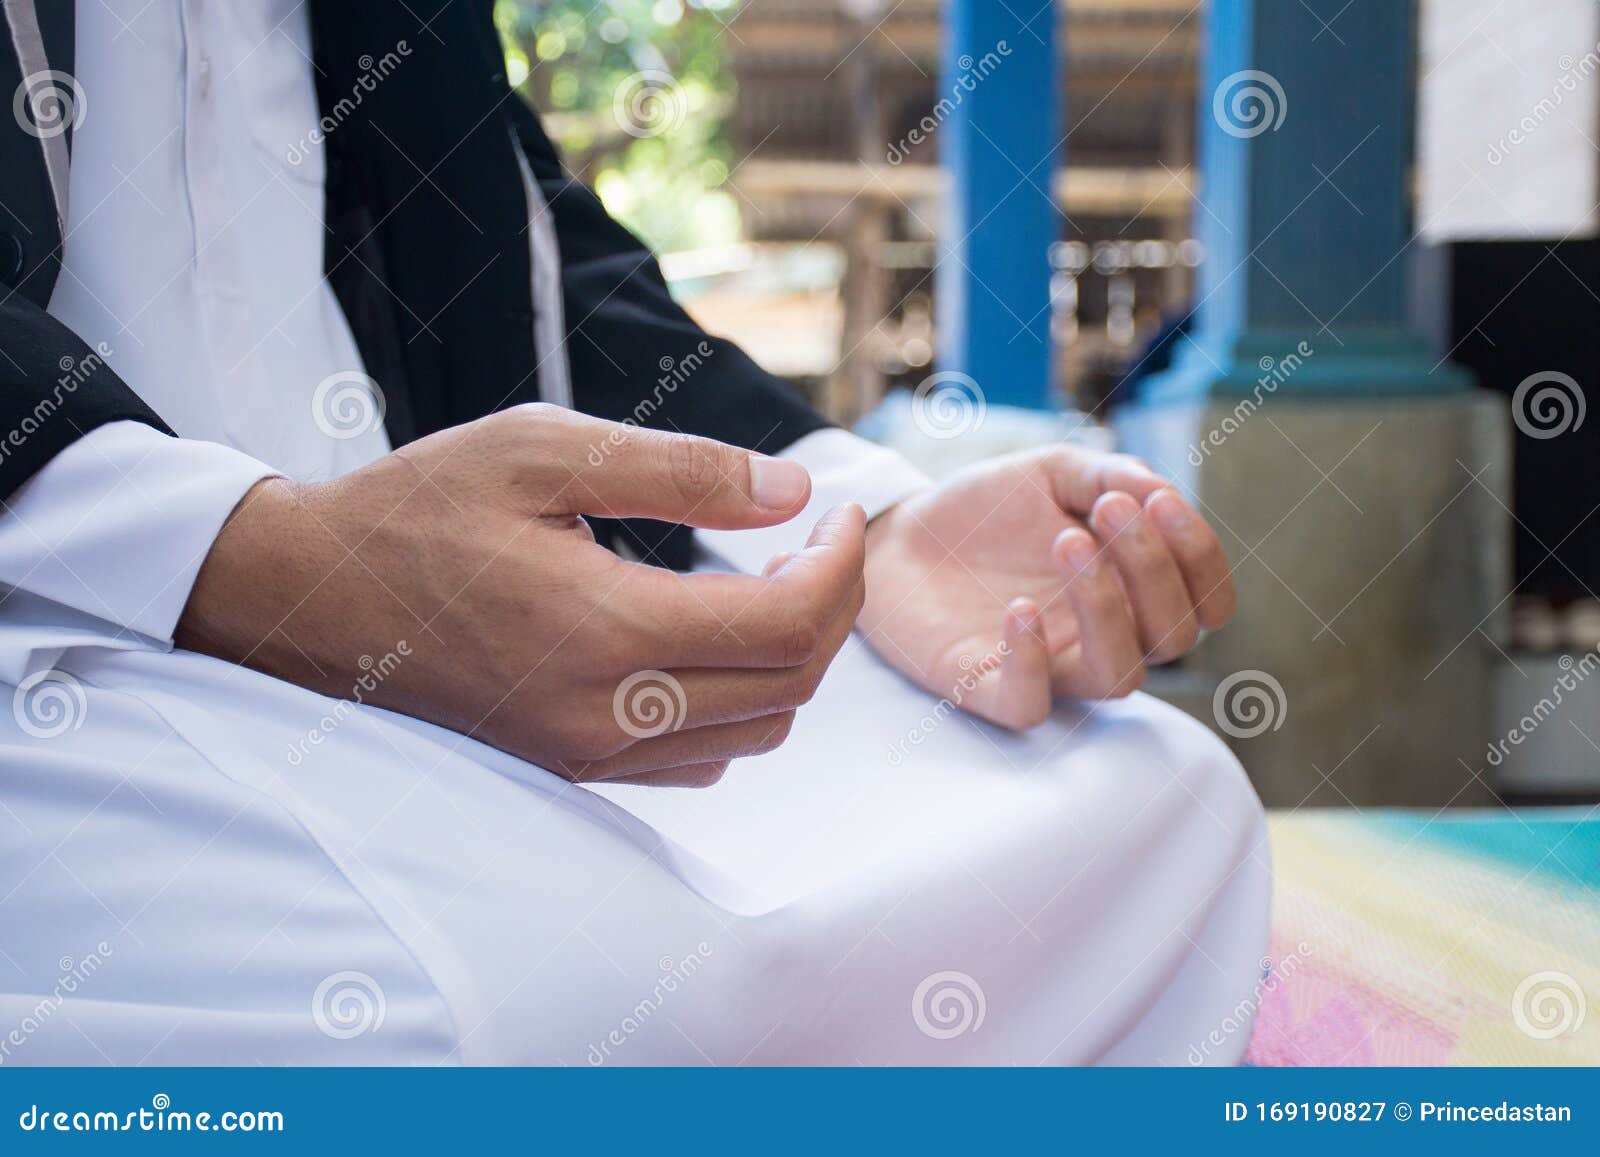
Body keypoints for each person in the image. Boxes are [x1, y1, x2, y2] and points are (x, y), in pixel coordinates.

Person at [0, 1, 1269, 1065]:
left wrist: (859, 521)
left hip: (448, 622)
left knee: (1157, 804)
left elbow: (523, 235)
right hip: (55, 627)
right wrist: (251, 556)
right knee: (571, 998)